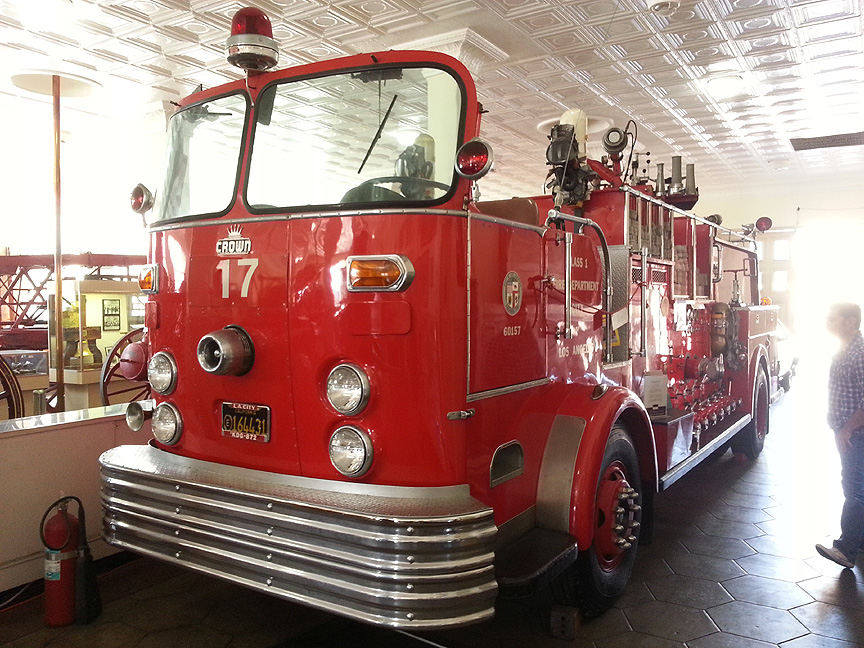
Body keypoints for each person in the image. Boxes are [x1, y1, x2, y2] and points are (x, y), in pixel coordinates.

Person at [816, 302, 864, 568]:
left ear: (851, 322)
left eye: (833, 319)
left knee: (855, 489)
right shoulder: (847, 348)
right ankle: (859, 540)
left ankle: (846, 549)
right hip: (848, 431)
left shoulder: (859, 353)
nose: (828, 323)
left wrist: (847, 429)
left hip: (855, 433)